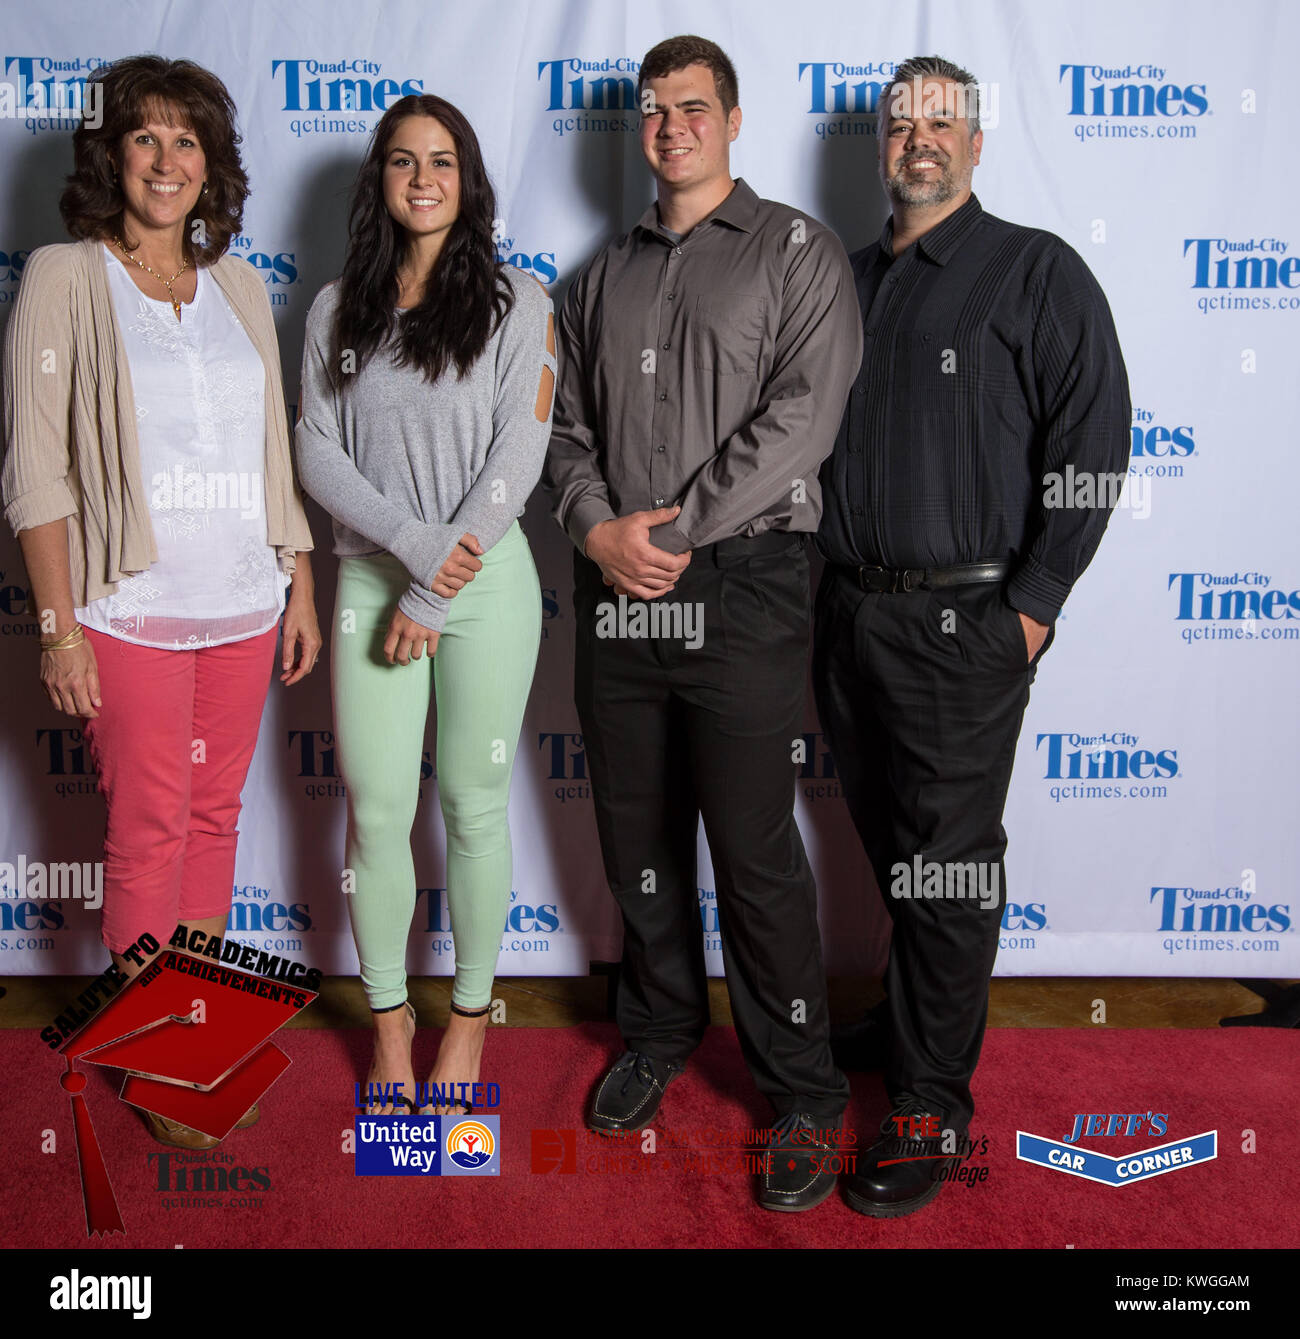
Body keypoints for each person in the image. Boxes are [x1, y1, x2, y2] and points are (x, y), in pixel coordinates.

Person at [544, 35, 862, 1212]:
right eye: (653, 109)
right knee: (635, 829)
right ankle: (659, 1027)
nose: (670, 126)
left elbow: (800, 419)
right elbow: (563, 432)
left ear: (731, 119)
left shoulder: (796, 254)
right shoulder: (592, 280)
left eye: (692, 107)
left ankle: (803, 1092)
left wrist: (669, 530)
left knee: (753, 847)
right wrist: (592, 529)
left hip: (746, 583)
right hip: (616, 588)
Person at [813, 55, 1131, 1217]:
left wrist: (1033, 610)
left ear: (977, 143)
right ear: (880, 144)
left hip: (968, 623)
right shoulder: (843, 280)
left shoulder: (1034, 270)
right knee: (897, 844)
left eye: (942, 122)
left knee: (948, 862)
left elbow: (1092, 442)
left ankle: (930, 1098)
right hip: (847, 616)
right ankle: (906, 1023)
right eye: (902, 123)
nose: (919, 139)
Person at [1, 55, 320, 1149]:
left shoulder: (233, 281)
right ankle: (155, 1053)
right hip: (128, 610)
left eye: (187, 141)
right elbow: (35, 469)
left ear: (211, 165)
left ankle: (200, 1028)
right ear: (112, 155)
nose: (167, 160)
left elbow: (271, 448)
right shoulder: (63, 275)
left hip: (242, 603)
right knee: (144, 832)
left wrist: (300, 575)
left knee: (215, 819)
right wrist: (56, 626)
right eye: (146, 138)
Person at [295, 94, 555, 1118]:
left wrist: (437, 586)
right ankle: (392, 1020)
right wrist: (409, 561)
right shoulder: (333, 309)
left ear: (469, 176)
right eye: (403, 161)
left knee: (473, 807)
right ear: (380, 180)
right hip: (371, 582)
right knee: (379, 813)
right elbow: (315, 447)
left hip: (486, 588)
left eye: (442, 160)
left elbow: (515, 462)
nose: (423, 178)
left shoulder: (515, 301)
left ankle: (472, 1018)